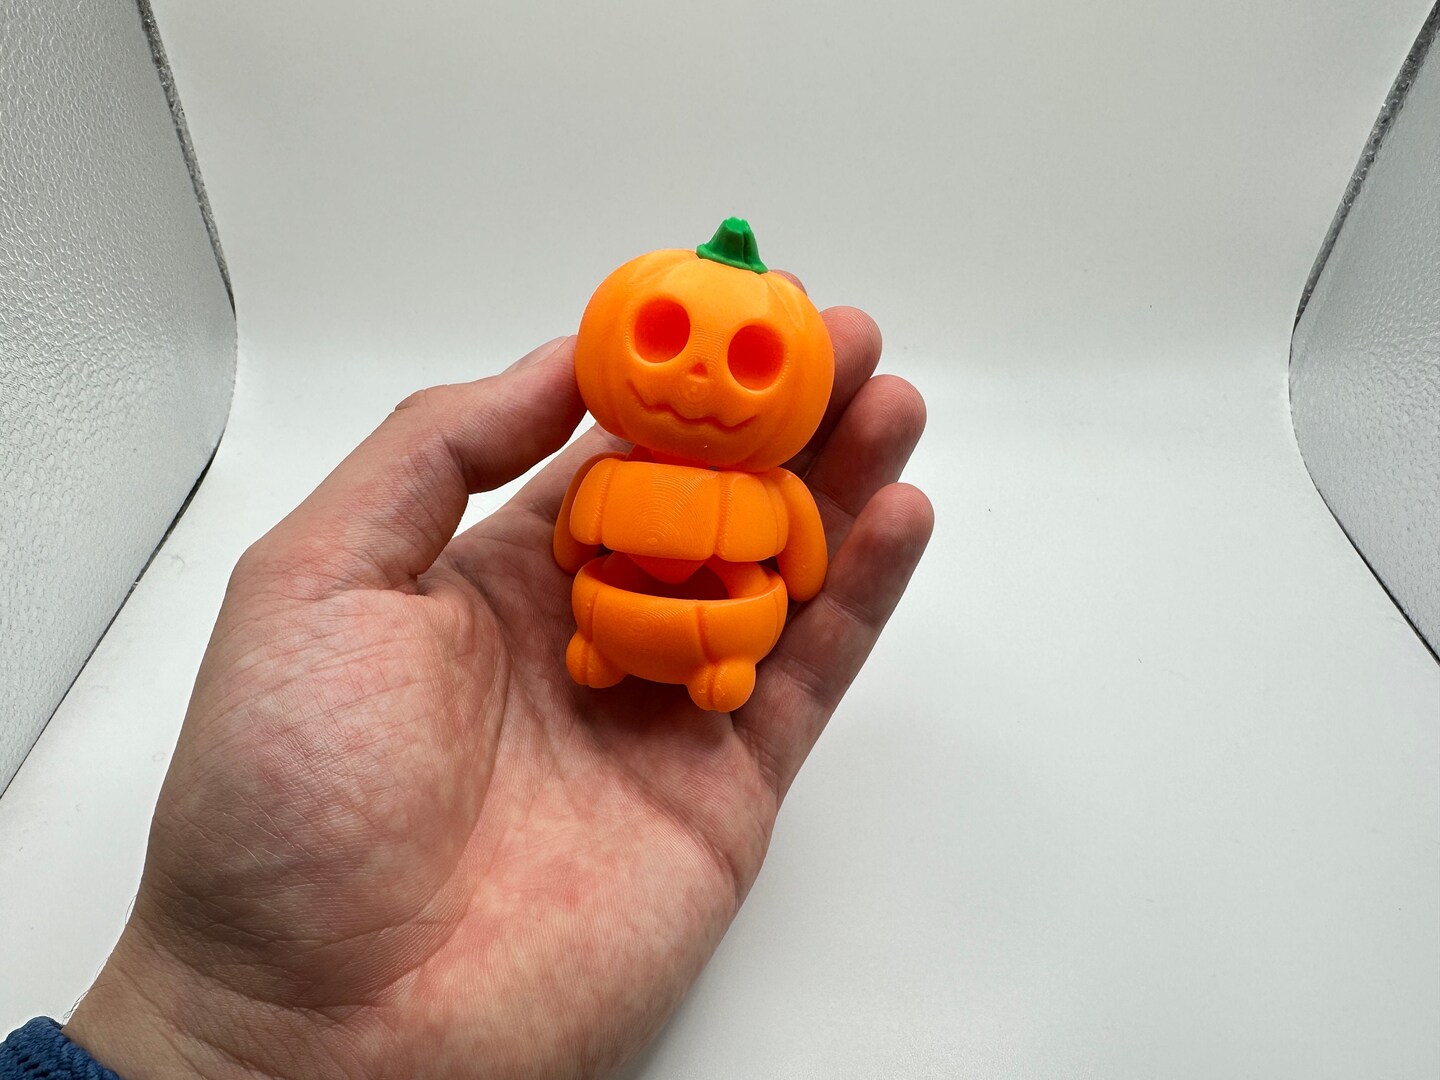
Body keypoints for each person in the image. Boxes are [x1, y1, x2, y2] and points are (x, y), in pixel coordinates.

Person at [1, 304, 932, 1079]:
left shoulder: (761, 493)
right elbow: (575, 540)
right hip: (605, 628)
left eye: (750, 358)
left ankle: (698, 664)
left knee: (719, 629)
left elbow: (799, 563)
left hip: (723, 638)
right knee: (611, 630)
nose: (698, 379)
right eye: (664, 335)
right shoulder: (610, 478)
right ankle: (610, 651)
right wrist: (226, 1013)